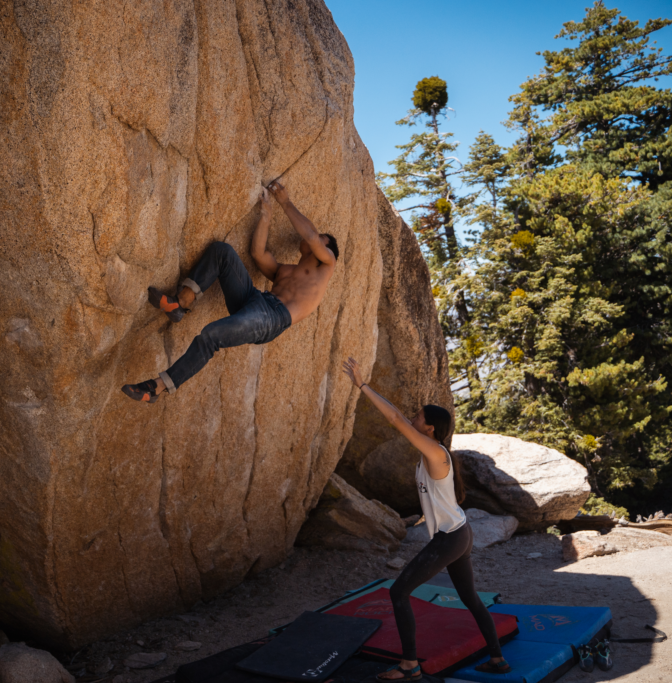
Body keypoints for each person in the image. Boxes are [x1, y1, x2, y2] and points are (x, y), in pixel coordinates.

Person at [341, 356, 512, 681]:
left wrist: (362, 384)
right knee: (469, 598)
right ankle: (497, 659)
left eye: (418, 416)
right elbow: (399, 415)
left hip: (451, 538)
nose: (413, 417)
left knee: (398, 592)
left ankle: (409, 666)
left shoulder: (435, 453)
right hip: (458, 533)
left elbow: (394, 419)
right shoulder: (432, 448)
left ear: (430, 428)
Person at [121, 180, 339, 402]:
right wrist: (266, 216)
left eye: (321, 237)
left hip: (270, 318)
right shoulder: (287, 271)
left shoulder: (327, 265)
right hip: (255, 300)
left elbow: (312, 236)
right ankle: (180, 304)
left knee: (211, 335)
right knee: (221, 252)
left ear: (326, 248)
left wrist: (285, 201)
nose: (313, 234)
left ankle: (158, 387)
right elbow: (258, 254)